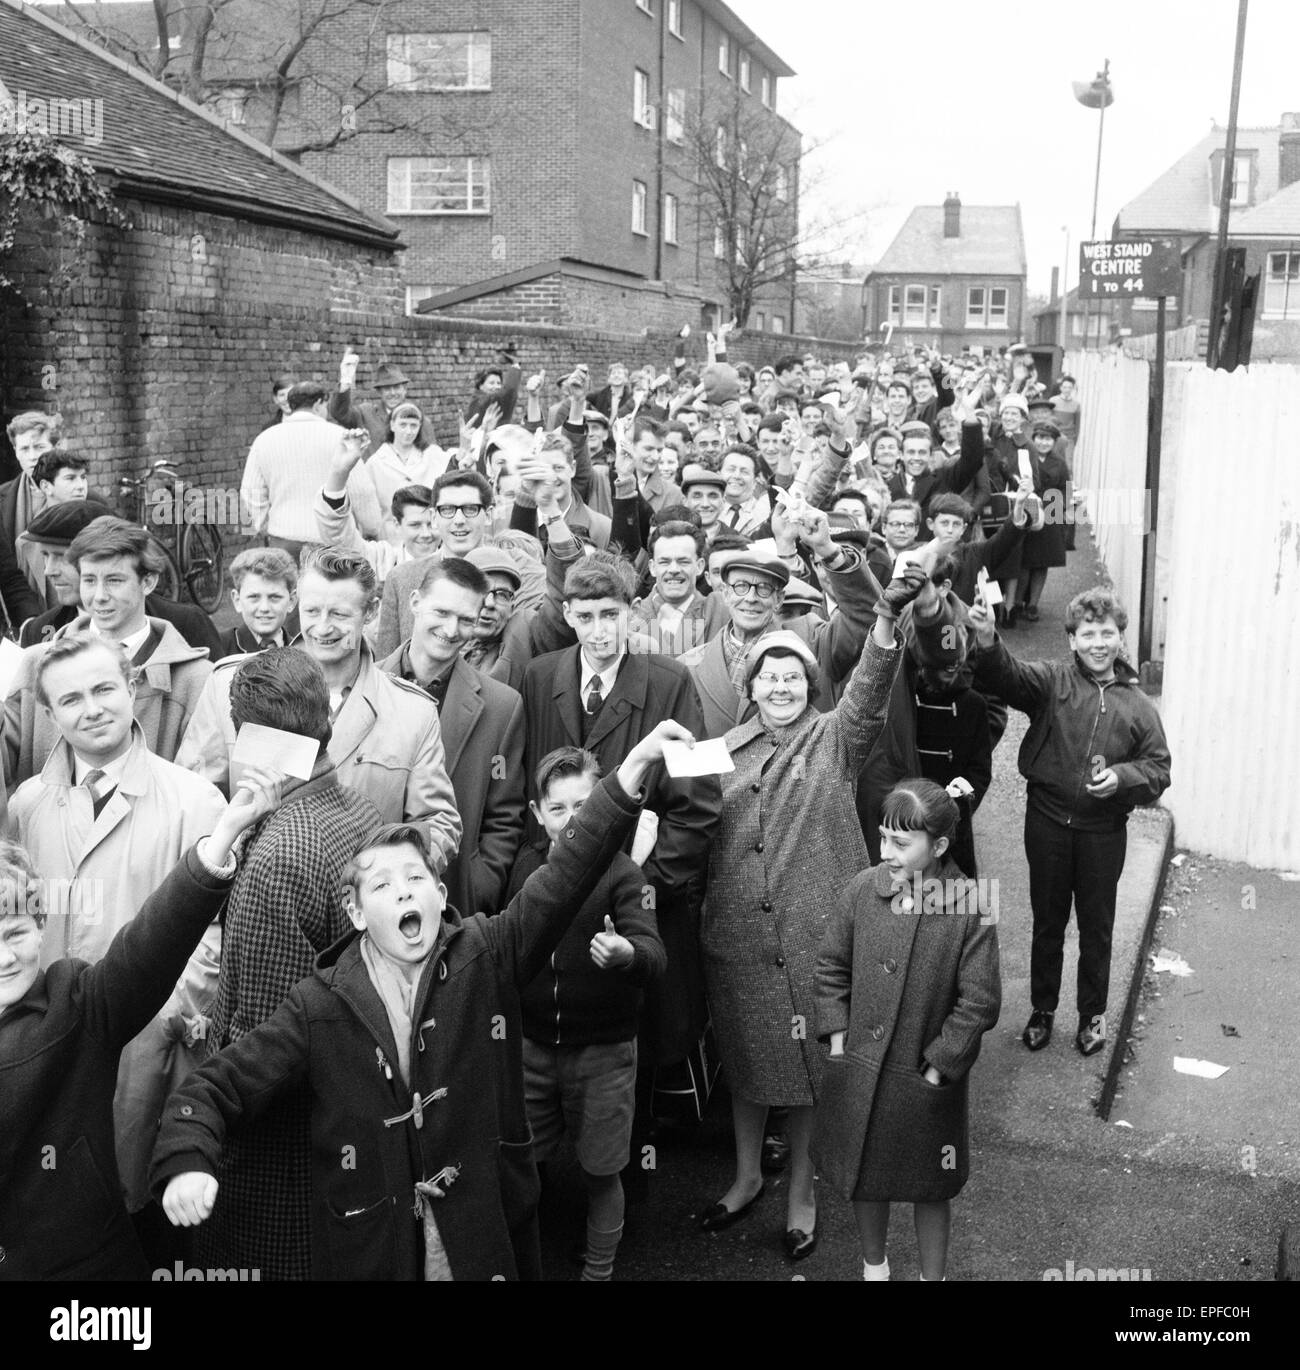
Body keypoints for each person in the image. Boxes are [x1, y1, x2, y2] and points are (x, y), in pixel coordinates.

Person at [151, 721, 688, 1281]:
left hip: (483, 1236)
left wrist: (632, 771)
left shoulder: (489, 953)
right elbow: (216, 1086)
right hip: (375, 1247)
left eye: (415, 876)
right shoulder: (318, 1006)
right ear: (356, 915)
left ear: (440, 893)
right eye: (381, 886)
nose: (404, 889)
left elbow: (569, 871)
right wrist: (187, 1157)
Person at [696, 552, 934, 1259]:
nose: (780, 686)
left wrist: (886, 620)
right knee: (745, 1068)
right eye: (767, 676)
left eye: (792, 676)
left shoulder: (836, 738)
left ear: (809, 684)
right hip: (735, 939)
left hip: (814, 940)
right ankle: (744, 1180)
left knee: (804, 1078)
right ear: (749, 685)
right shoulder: (719, 752)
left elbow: (869, 683)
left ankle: (800, 1194)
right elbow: (662, 802)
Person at [0, 768, 278, 1281]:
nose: (4, 958)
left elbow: (150, 946)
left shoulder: (75, 1006)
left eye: (14, 932)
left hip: (89, 1273)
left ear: (42, 927)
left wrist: (218, 842)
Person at [8, 635, 228, 1231]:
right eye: (71, 699)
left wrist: (166, 1015)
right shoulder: (29, 803)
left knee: (129, 1194)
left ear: (132, 689)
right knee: (46, 1195)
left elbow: (212, 931)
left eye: (105, 689)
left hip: (142, 1035)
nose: (93, 708)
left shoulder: (193, 799)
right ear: (49, 716)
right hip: (46, 1037)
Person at [183, 648, 386, 1280]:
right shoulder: (362, 811)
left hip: (279, 1157)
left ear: (257, 743)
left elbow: (266, 1040)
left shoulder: (280, 856)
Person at [967, 587, 1171, 1056]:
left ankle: (1092, 1016)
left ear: (1121, 639)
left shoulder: (1139, 706)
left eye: (1108, 633)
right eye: (1088, 633)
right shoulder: (1052, 682)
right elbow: (1008, 676)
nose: (1099, 642)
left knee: (1097, 926)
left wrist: (1121, 779)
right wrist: (987, 638)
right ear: (1072, 640)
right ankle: (1042, 1010)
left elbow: (1159, 768)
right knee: (1048, 921)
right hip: (1047, 823)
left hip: (1104, 832)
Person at [813, 779, 1001, 1282]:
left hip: (922, 1080)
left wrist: (940, 1068)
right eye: (883, 839)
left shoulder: (970, 906)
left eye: (901, 843)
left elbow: (979, 1001)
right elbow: (831, 966)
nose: (886, 853)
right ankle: (875, 1269)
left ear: (938, 846)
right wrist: (836, 1039)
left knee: (930, 1187)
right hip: (860, 1071)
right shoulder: (861, 889)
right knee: (865, 1177)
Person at [177, 547, 462, 870]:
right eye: (312, 612)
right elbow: (191, 802)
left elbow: (438, 825)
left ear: (371, 611)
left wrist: (385, 880)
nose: (323, 628)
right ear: (297, 601)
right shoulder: (231, 683)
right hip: (252, 898)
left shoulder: (412, 712)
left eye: (339, 615)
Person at [508, 745, 666, 1282]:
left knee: (603, 1172)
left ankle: (597, 1273)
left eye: (585, 805)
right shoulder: (525, 868)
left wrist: (628, 954)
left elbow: (655, 954)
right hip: (530, 1049)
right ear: (537, 814)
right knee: (525, 1164)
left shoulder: (626, 876)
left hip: (604, 1051)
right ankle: (528, 1260)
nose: (574, 820)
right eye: (559, 809)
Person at [5, 517, 214, 787]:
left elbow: (202, 789)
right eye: (89, 580)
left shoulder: (195, 679)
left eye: (114, 580)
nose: (99, 596)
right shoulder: (36, 663)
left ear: (148, 582)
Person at [380, 558, 525, 918]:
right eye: (441, 612)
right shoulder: (367, 687)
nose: (450, 629)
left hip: (454, 898)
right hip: (371, 891)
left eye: (465, 619)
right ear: (415, 602)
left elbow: (504, 815)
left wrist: (480, 884)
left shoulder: (502, 706)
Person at [16, 500, 223, 658]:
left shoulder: (185, 623)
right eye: (45, 556)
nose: (48, 570)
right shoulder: (39, 633)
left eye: (61, 557)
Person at [240, 381, 383, 558]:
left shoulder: (264, 439)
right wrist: (372, 527)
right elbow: (362, 491)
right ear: (318, 404)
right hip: (333, 542)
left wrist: (261, 526)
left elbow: (251, 492)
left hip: (282, 540)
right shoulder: (340, 437)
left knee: (290, 585)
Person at [629, 519, 729, 658]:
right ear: (652, 567)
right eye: (665, 562)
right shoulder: (631, 616)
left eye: (683, 561)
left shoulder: (720, 612)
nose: (674, 569)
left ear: (700, 566)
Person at [1, 410, 61, 628]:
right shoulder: (3, 498)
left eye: (40, 447)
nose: (33, 456)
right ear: (15, 452)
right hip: (23, 606)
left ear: (55, 447)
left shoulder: (80, 497)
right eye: (24, 448)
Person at [1010, 421, 1070, 623]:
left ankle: (1033, 604)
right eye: (1040, 438)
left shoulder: (1060, 463)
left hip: (1050, 516)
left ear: (1054, 442)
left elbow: (1064, 490)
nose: (1044, 443)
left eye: (1048, 439)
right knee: (1025, 560)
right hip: (1028, 510)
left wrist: (1052, 507)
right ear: (1033, 439)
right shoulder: (1025, 456)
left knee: (1041, 563)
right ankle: (1017, 602)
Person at [328, 352, 438, 453]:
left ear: (405, 390)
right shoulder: (366, 414)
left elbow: (432, 456)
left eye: (396, 387)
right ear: (379, 392)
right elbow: (340, 413)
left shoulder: (419, 419)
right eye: (387, 388)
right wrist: (345, 382)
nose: (392, 393)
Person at [217, 547, 299, 656]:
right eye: (254, 597)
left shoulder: (302, 651)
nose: (264, 608)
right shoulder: (218, 649)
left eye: (274, 597)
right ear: (237, 600)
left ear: (291, 601)